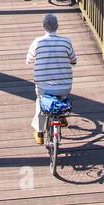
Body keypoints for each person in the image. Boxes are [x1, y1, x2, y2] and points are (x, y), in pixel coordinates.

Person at [25, 13, 77, 145]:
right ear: (57, 27)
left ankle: (40, 133)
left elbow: (28, 60)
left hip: (44, 85)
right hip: (64, 85)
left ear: (43, 27)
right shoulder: (66, 41)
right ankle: (61, 116)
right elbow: (73, 60)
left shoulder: (38, 42)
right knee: (62, 93)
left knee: (41, 103)